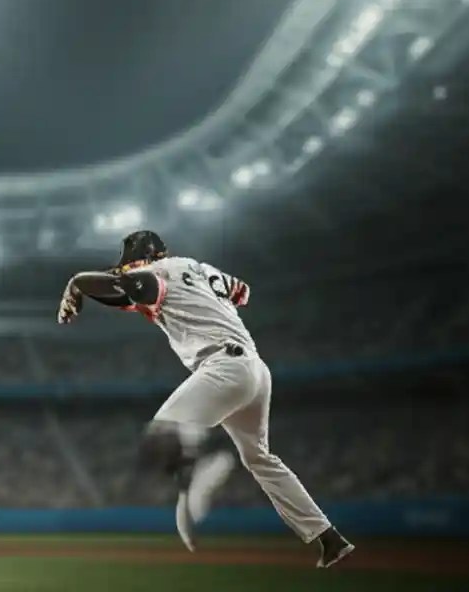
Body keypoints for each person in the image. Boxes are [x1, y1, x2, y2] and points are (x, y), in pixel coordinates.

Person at [56, 230, 353, 568]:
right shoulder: (202, 268)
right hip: (254, 370)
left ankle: (200, 471)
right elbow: (243, 291)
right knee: (261, 460)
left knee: (160, 436)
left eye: (130, 265)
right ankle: (328, 538)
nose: (127, 271)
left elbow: (124, 287)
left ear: (146, 259)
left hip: (222, 368)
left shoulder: (156, 272)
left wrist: (76, 283)